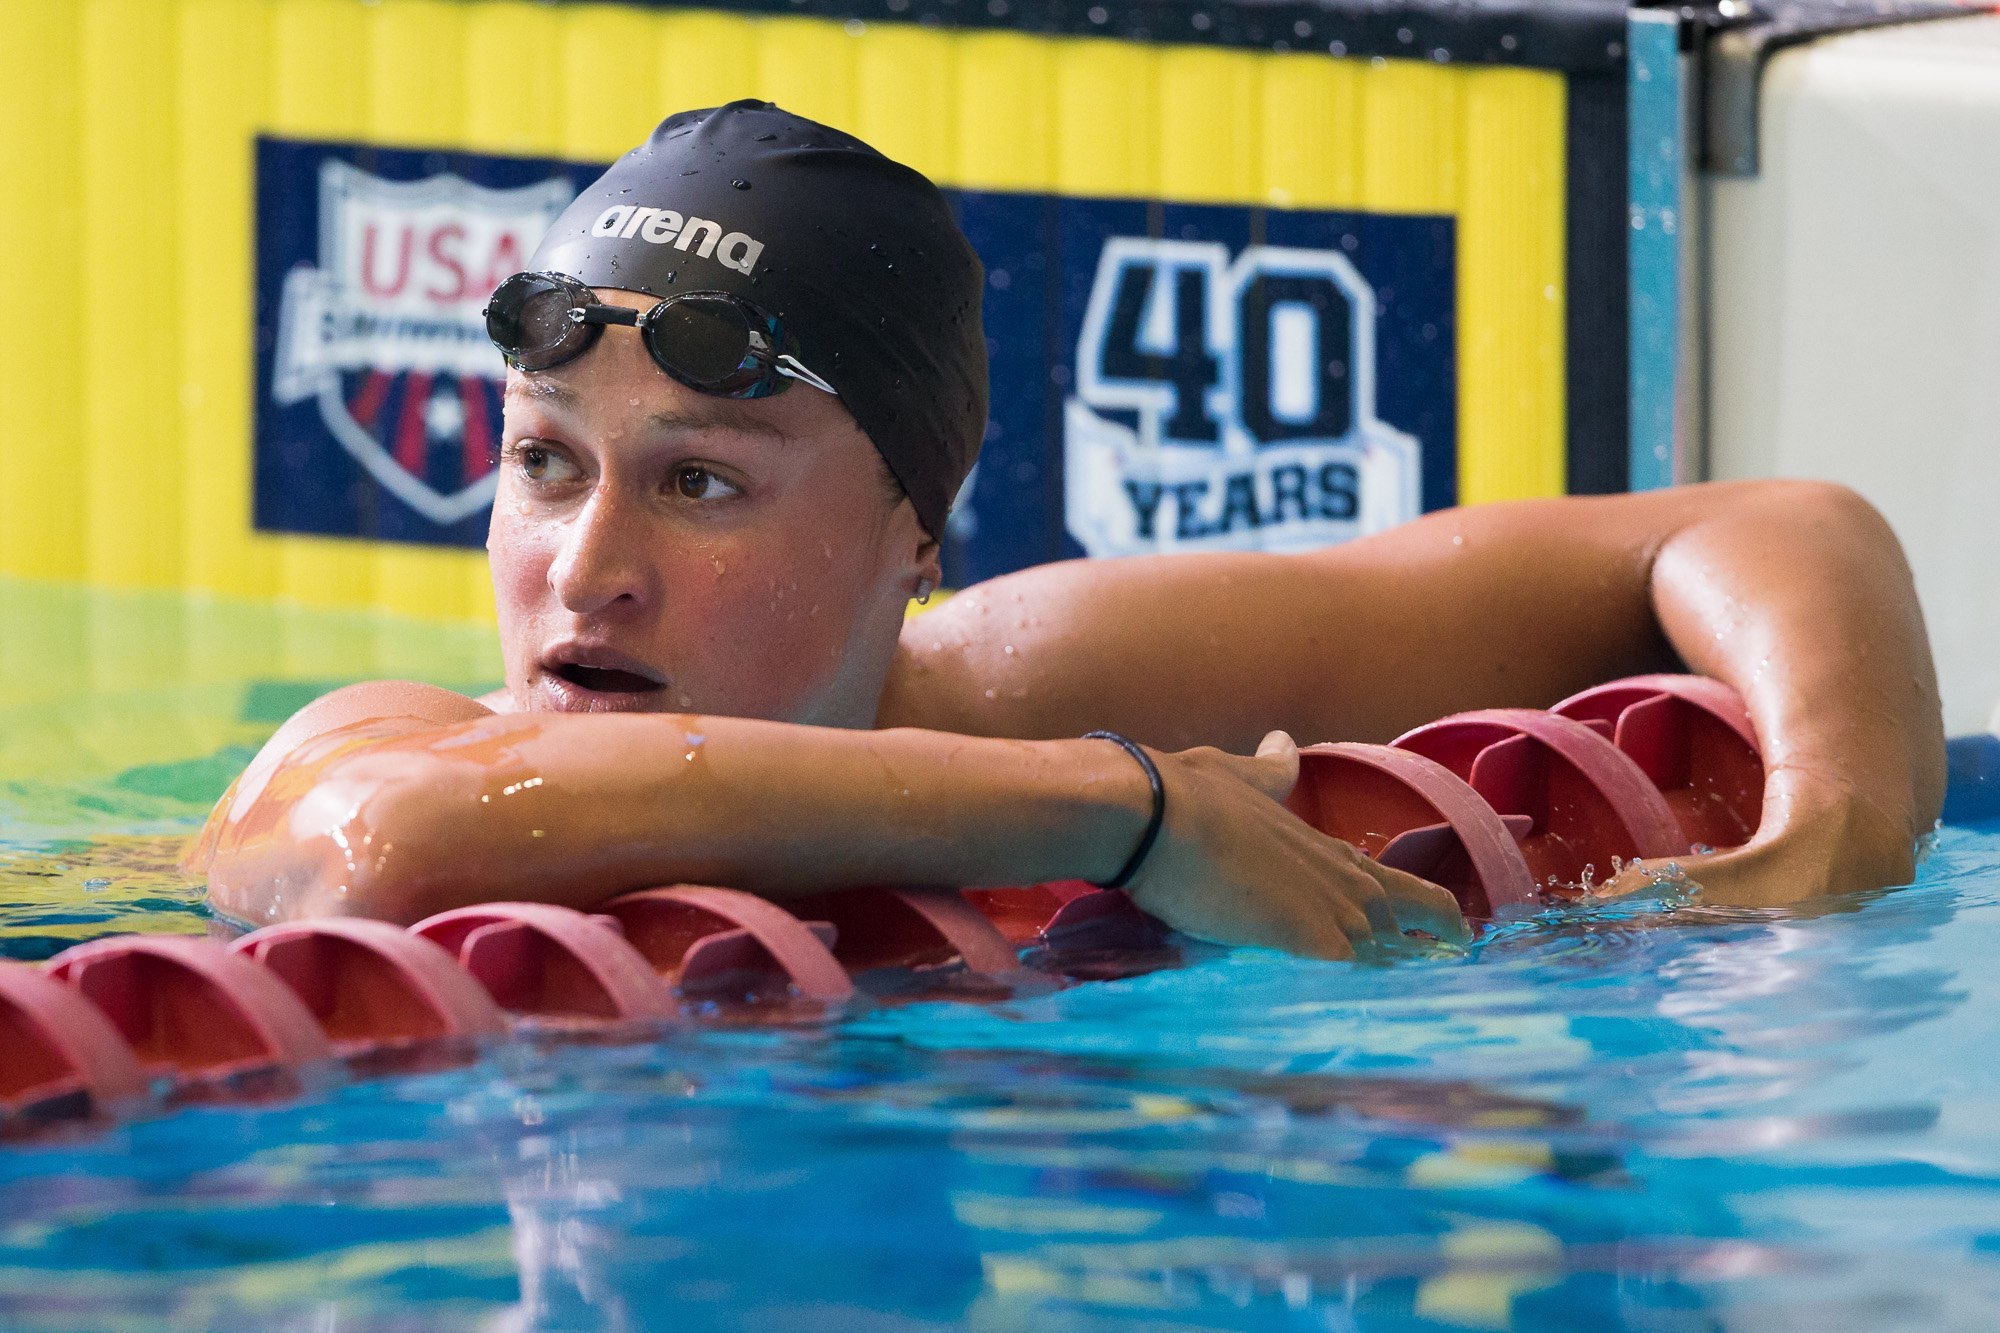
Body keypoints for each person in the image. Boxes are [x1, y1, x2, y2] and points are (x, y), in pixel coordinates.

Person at [189, 102, 1944, 959]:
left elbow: (1767, 526)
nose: (587, 571)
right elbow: (387, 855)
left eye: (702, 480)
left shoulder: (1015, 676)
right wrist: (1128, 806)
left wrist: (1836, 834)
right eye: (547, 464)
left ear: (917, 540)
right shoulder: (378, 743)